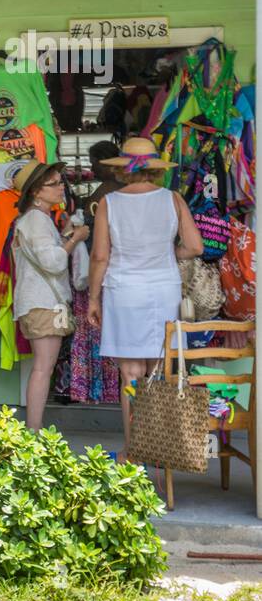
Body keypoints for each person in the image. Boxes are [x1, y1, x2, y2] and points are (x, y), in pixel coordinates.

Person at [87, 137, 204, 460]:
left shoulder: (110, 202)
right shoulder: (173, 199)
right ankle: (160, 449)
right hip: (163, 288)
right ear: (154, 169)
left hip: (124, 291)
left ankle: (134, 450)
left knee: (131, 374)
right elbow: (195, 247)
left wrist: (93, 299)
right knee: (160, 371)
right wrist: (169, 253)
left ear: (123, 168)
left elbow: (99, 257)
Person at [10, 160, 89, 430]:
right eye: (53, 184)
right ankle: (33, 430)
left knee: (44, 367)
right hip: (42, 303)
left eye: (60, 182)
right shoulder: (36, 220)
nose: (60, 188)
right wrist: (75, 239)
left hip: (38, 302)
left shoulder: (35, 220)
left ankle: (34, 428)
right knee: (44, 368)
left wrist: (65, 236)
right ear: (36, 191)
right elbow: (53, 262)